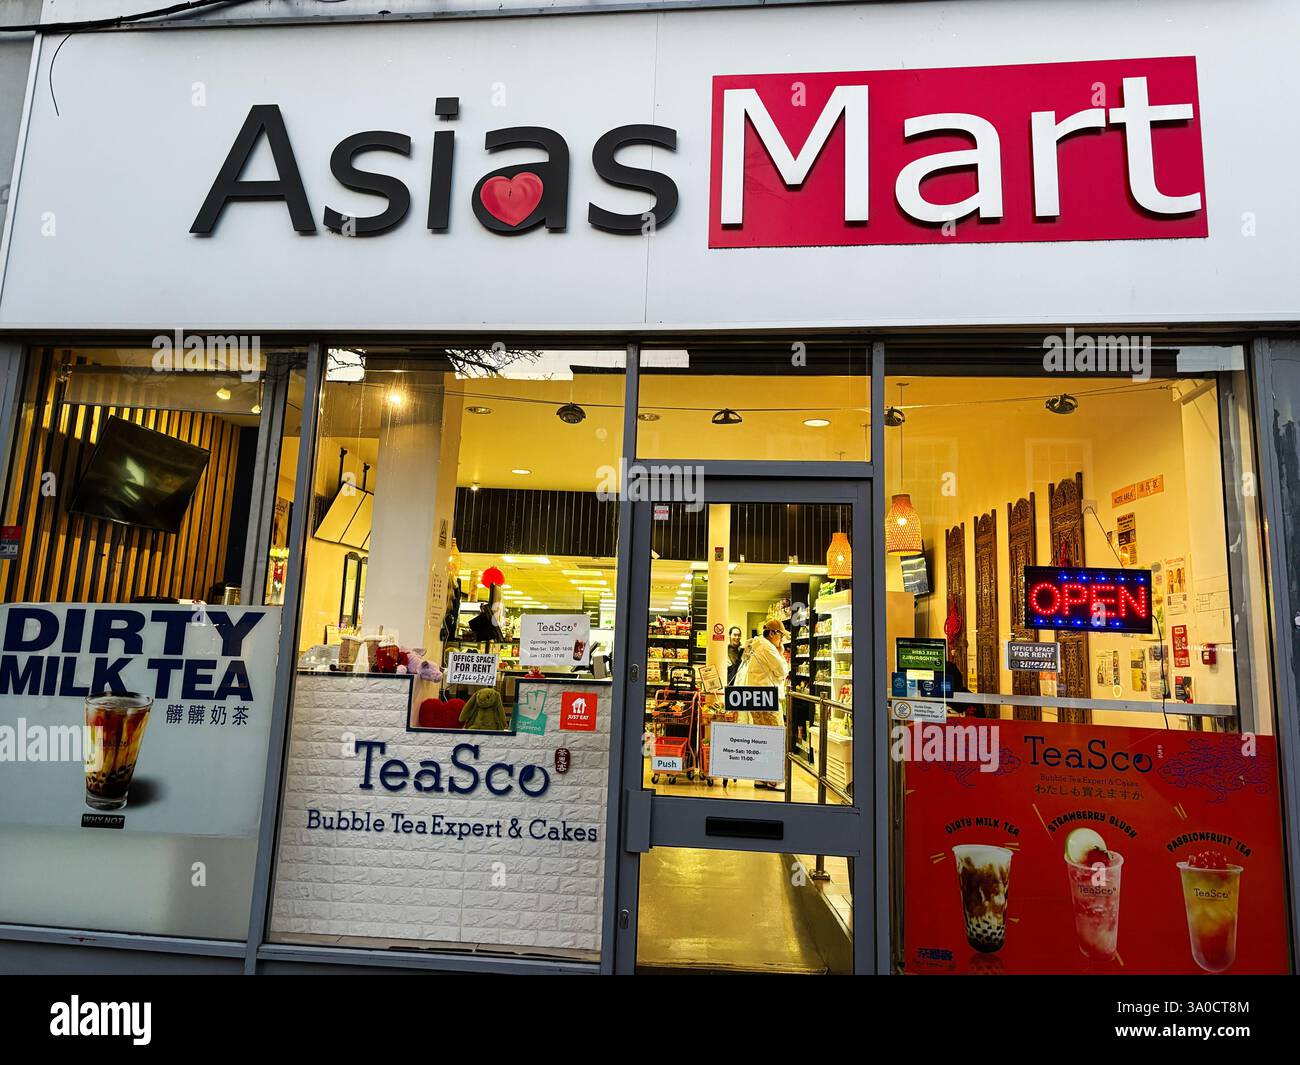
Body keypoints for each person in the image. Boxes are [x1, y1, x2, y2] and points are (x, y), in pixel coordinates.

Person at [737, 618, 789, 790]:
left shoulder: (755, 644)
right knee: (775, 737)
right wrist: (780, 652)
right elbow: (782, 671)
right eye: (781, 635)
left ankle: (760, 777)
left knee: (760, 737)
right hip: (766, 697)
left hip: (754, 696)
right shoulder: (767, 647)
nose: (782, 640)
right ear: (773, 633)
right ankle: (774, 779)